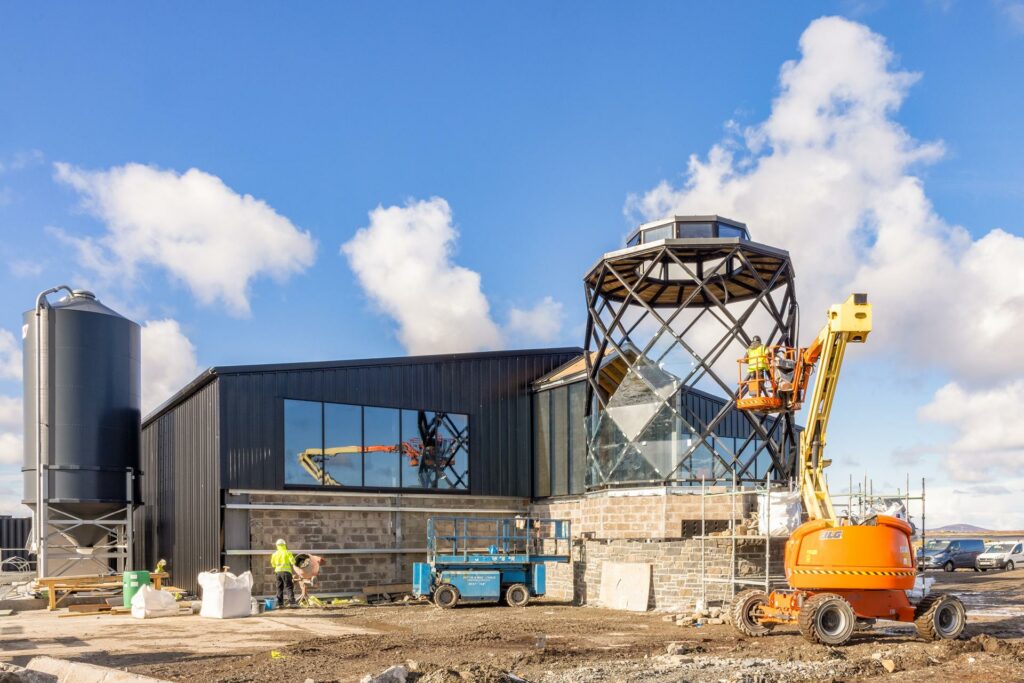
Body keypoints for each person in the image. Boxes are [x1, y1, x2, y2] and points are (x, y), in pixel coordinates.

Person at [270, 538, 297, 607]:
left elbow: (273, 564)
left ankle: (280, 604)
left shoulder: (274, 554)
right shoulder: (288, 552)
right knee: (289, 587)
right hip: (286, 572)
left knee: (279, 588)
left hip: (278, 572)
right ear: (284, 545)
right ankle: (292, 603)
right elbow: (293, 562)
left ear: (277, 545)